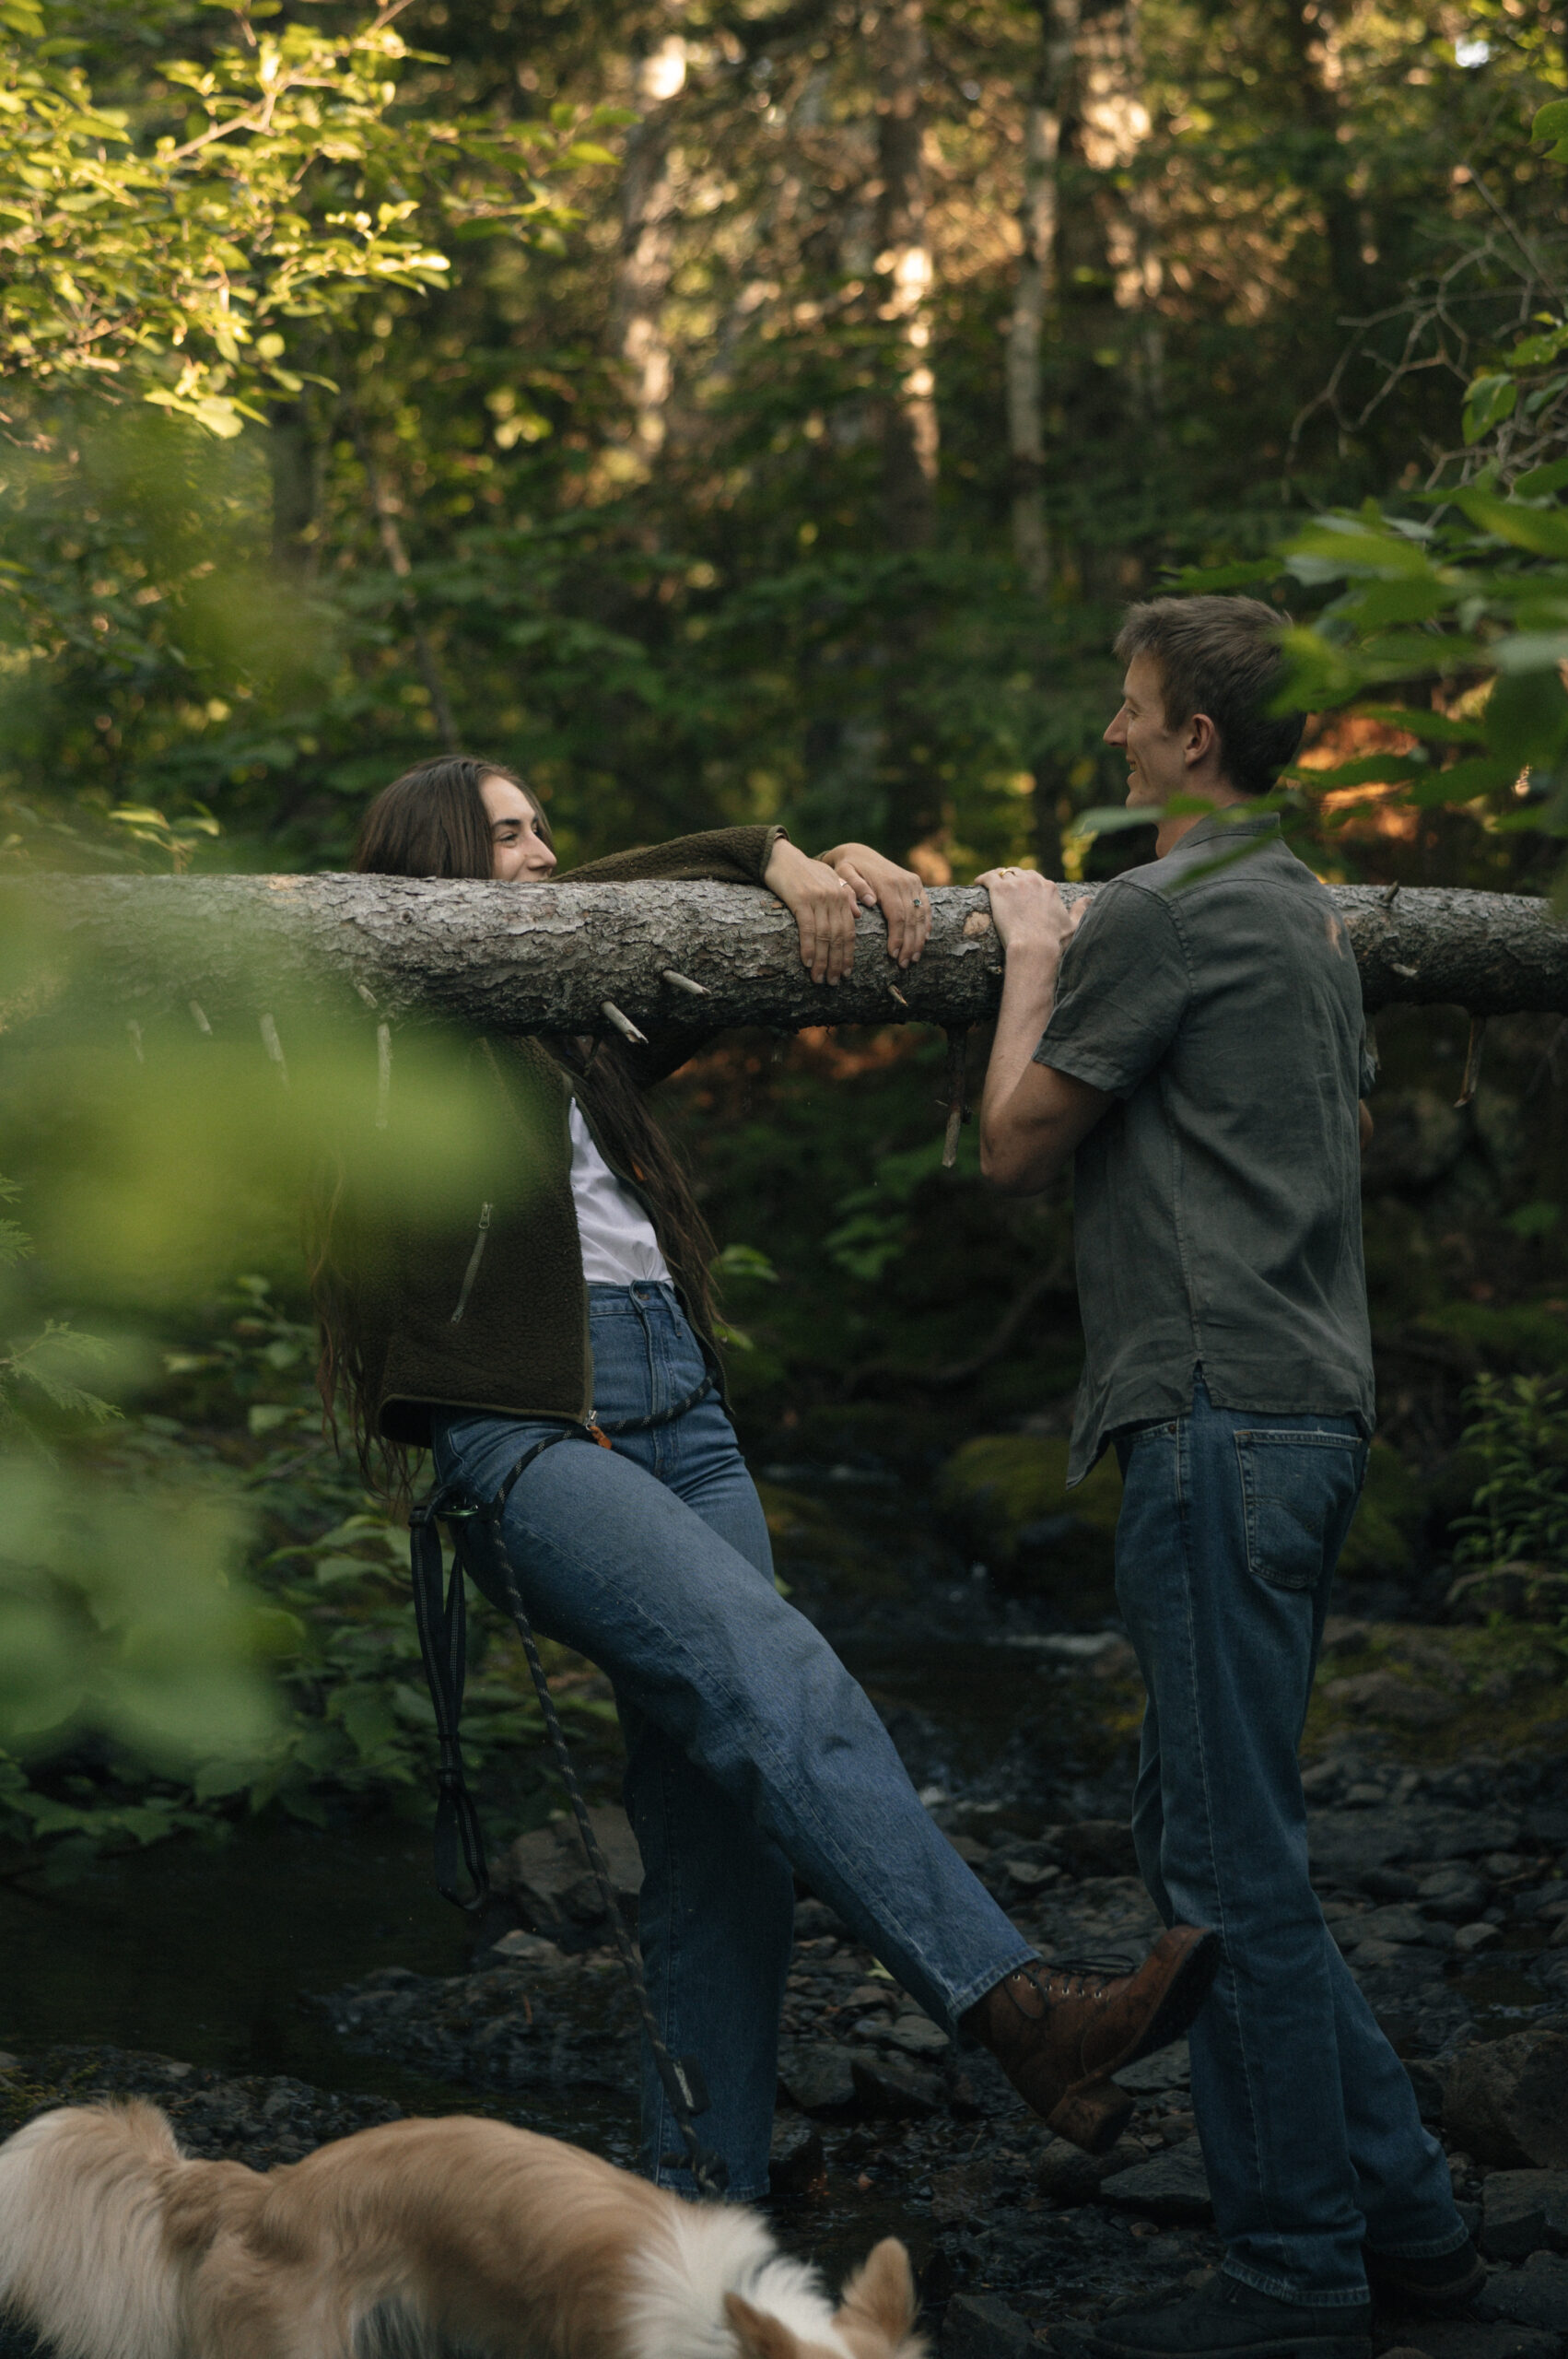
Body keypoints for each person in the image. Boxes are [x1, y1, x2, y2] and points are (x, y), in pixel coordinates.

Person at [311, 753, 1220, 2207]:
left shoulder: (574, 1026)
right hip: (527, 1431)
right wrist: (760, 845)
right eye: (508, 835)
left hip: (682, 1410)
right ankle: (1018, 2008)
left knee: (719, 1828)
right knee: (766, 1661)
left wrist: (835, 878)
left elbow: (671, 931)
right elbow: (638, 890)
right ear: (429, 870)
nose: (547, 856)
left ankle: (701, 2213)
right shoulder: (392, 1015)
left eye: (551, 824)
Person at [975, 599, 1480, 2359]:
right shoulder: (1307, 921)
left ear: (1196, 740)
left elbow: (1018, 1144)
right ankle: (1408, 2216)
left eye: (1131, 712)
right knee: (1223, 1843)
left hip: (1216, 1416)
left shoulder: (1170, 911)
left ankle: (1294, 2273)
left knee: (1222, 1879)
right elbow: (1326, 1140)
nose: (1113, 735)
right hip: (1307, 1417)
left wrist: (1036, 941)